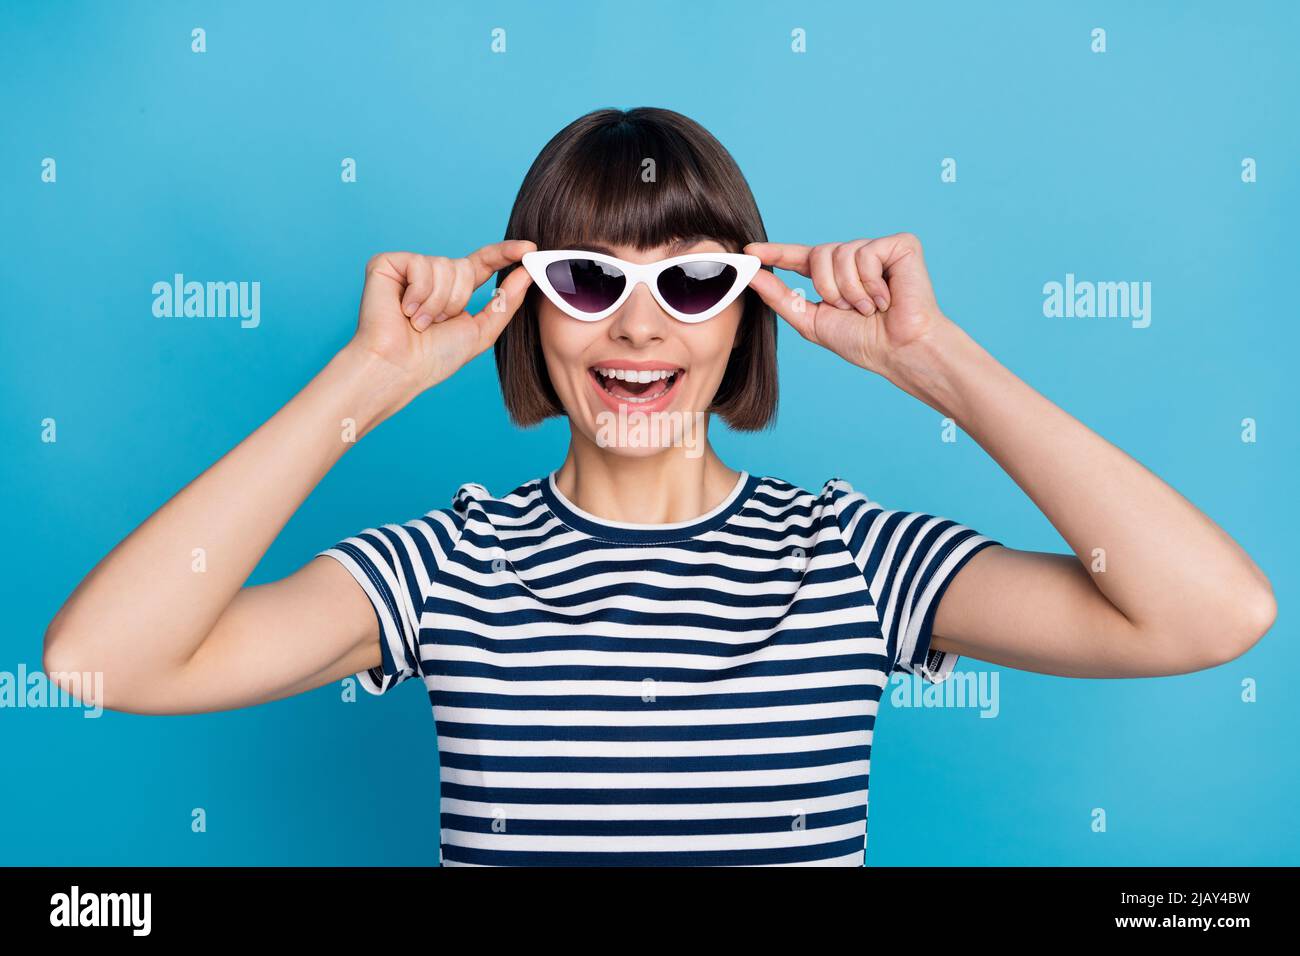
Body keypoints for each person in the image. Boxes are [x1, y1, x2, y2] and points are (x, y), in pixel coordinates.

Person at [43, 107, 1276, 866]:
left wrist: (934, 363)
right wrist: (358, 386)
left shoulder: (852, 555)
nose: (640, 328)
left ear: (746, 317)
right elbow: (105, 660)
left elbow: (1208, 614)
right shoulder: (444, 567)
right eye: (588, 281)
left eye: (691, 281)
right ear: (529, 308)